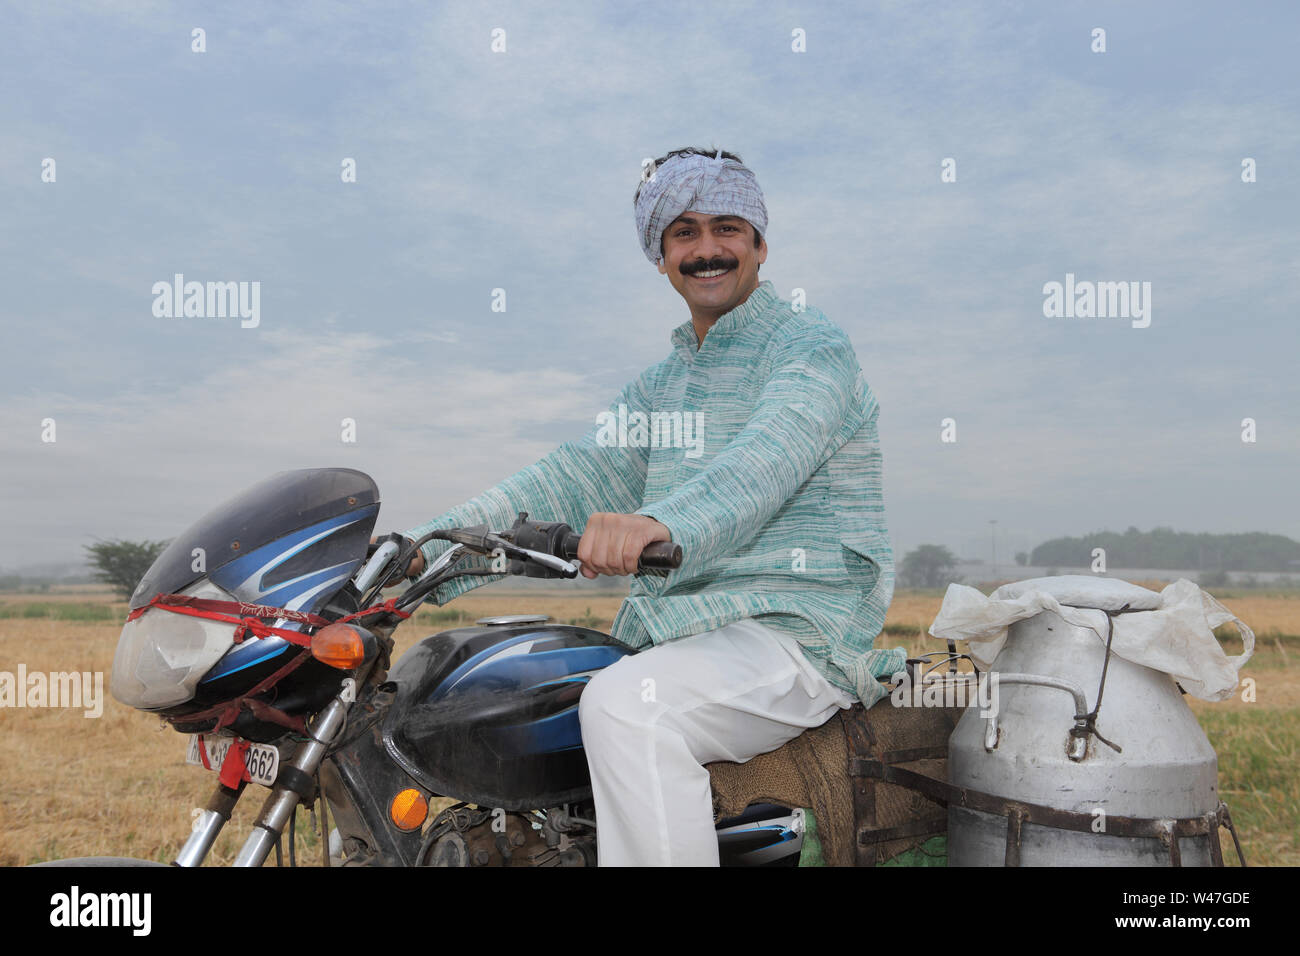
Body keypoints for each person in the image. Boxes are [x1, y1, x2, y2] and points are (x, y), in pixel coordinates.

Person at [400, 146, 903, 865]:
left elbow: (767, 457)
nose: (706, 249)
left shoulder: (810, 347)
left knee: (627, 708)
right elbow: (568, 479)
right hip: (684, 636)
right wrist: (413, 549)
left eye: (727, 228)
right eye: (683, 232)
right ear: (660, 255)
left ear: (760, 244)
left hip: (795, 631)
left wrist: (663, 525)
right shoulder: (666, 384)